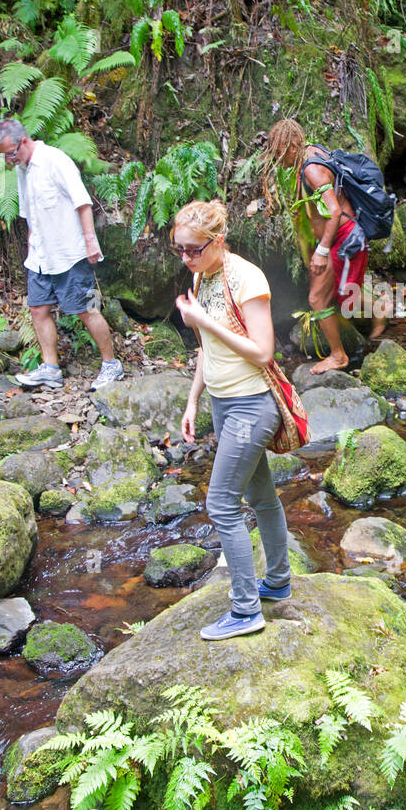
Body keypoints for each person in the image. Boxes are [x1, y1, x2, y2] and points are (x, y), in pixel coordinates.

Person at [174, 199, 291, 640]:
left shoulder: (247, 278)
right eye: (179, 250)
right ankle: (276, 583)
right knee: (261, 497)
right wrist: (192, 401)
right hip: (223, 404)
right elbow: (207, 347)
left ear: (217, 241)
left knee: (221, 502)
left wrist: (204, 319)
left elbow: (263, 351)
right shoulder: (203, 274)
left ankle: (246, 612)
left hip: (250, 405)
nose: (186, 259)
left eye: (193, 250)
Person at [0, 118, 124, 392]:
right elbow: (29, 214)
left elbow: (83, 202)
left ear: (23, 141)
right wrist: (31, 246)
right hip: (41, 256)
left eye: (10, 153)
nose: (8, 160)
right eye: (4, 156)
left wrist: (90, 243)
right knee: (38, 309)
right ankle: (50, 368)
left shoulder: (55, 160)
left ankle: (111, 364)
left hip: (70, 254)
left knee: (86, 309)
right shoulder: (22, 168)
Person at [265, 118, 386, 373]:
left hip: (345, 237)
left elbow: (332, 211)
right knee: (332, 296)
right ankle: (377, 307)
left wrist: (321, 252)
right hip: (339, 237)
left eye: (279, 153)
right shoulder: (313, 152)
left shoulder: (312, 170)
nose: (278, 160)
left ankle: (339, 355)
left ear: (293, 146)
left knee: (321, 298)